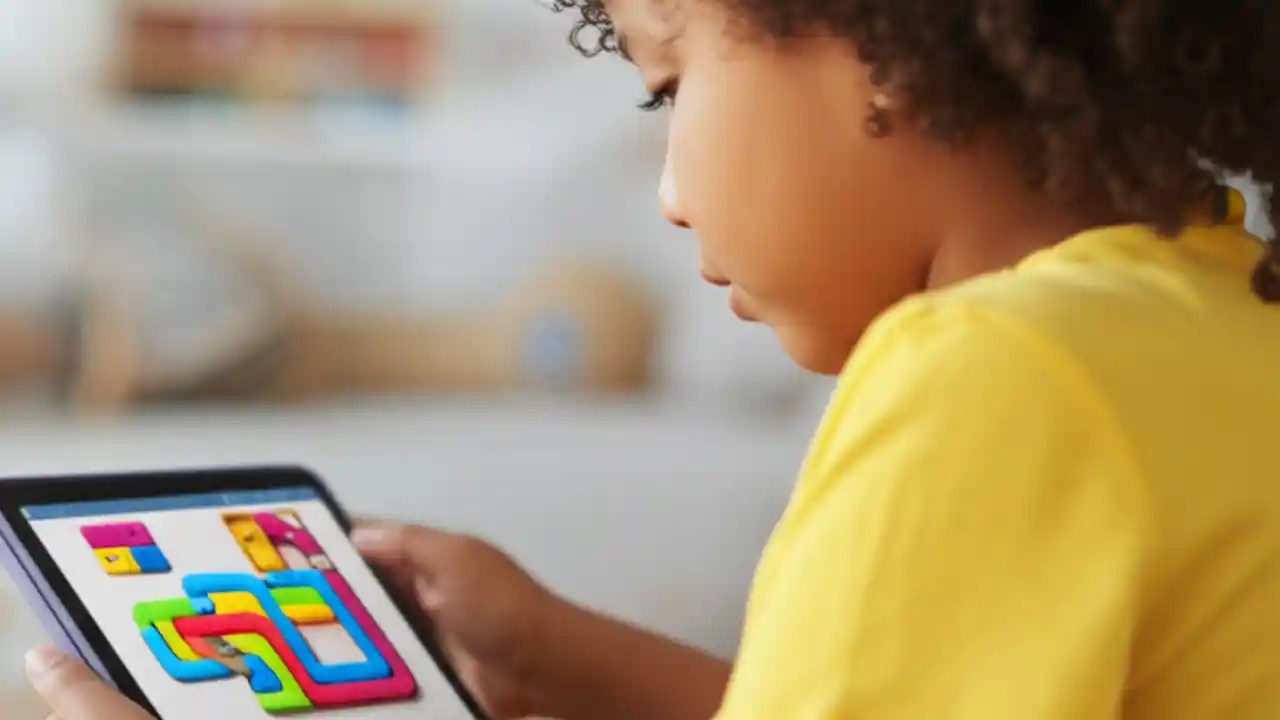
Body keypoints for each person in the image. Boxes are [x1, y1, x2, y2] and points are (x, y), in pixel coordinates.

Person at [28, 1, 1280, 718]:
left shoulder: (991, 372)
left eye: (666, 84)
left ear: (879, 41)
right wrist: (571, 659)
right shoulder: (1218, 329)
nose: (669, 197)